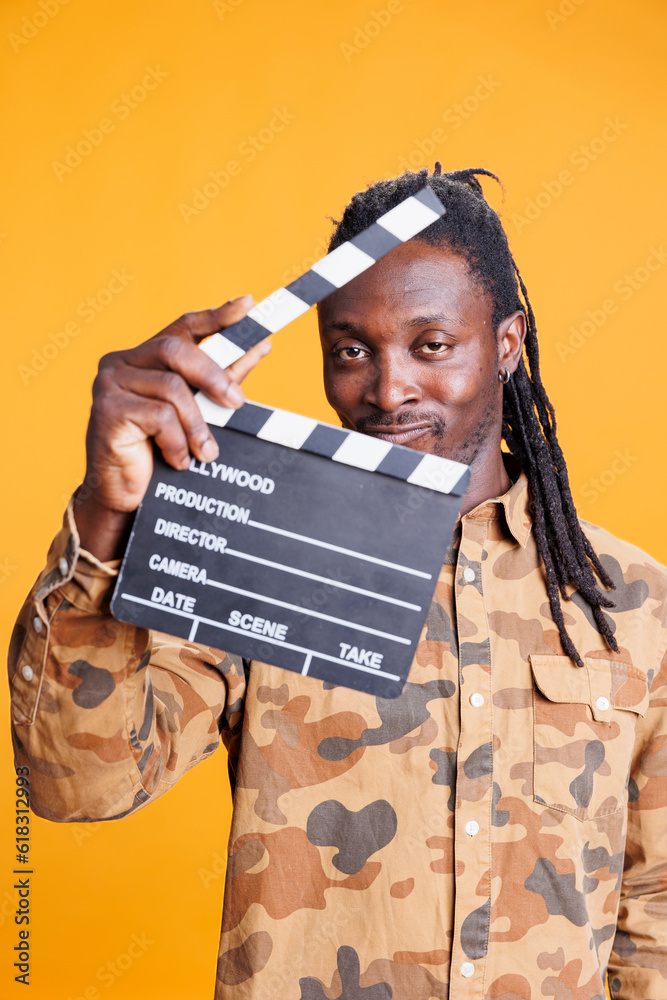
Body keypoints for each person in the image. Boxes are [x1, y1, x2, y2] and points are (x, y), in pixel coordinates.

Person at [8, 165, 667, 1000]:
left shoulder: (631, 600)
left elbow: (654, 908)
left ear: (506, 342)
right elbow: (76, 784)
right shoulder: (259, 557)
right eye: (352, 350)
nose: (388, 390)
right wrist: (106, 511)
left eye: (432, 346)